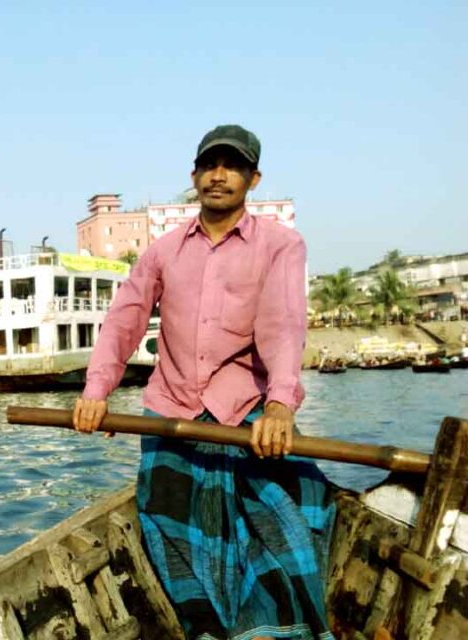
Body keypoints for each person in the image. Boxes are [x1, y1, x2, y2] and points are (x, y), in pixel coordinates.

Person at [73, 125, 335, 640]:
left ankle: (280, 626)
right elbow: (124, 321)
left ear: (253, 179)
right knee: (171, 525)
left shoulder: (282, 245)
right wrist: (96, 393)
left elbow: (283, 325)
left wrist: (281, 405)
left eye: (232, 166)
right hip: (173, 408)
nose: (218, 176)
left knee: (294, 514)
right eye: (209, 165)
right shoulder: (162, 252)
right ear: (193, 176)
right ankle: (207, 626)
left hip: (249, 410)